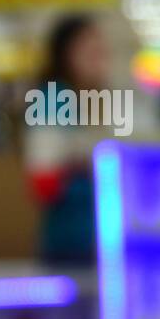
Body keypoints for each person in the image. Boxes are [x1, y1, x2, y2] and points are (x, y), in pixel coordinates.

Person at [27, 15, 110, 266]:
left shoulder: (88, 98)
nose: (100, 61)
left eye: (102, 52)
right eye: (91, 51)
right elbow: (44, 182)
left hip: (90, 241)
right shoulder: (54, 98)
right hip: (71, 245)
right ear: (66, 54)